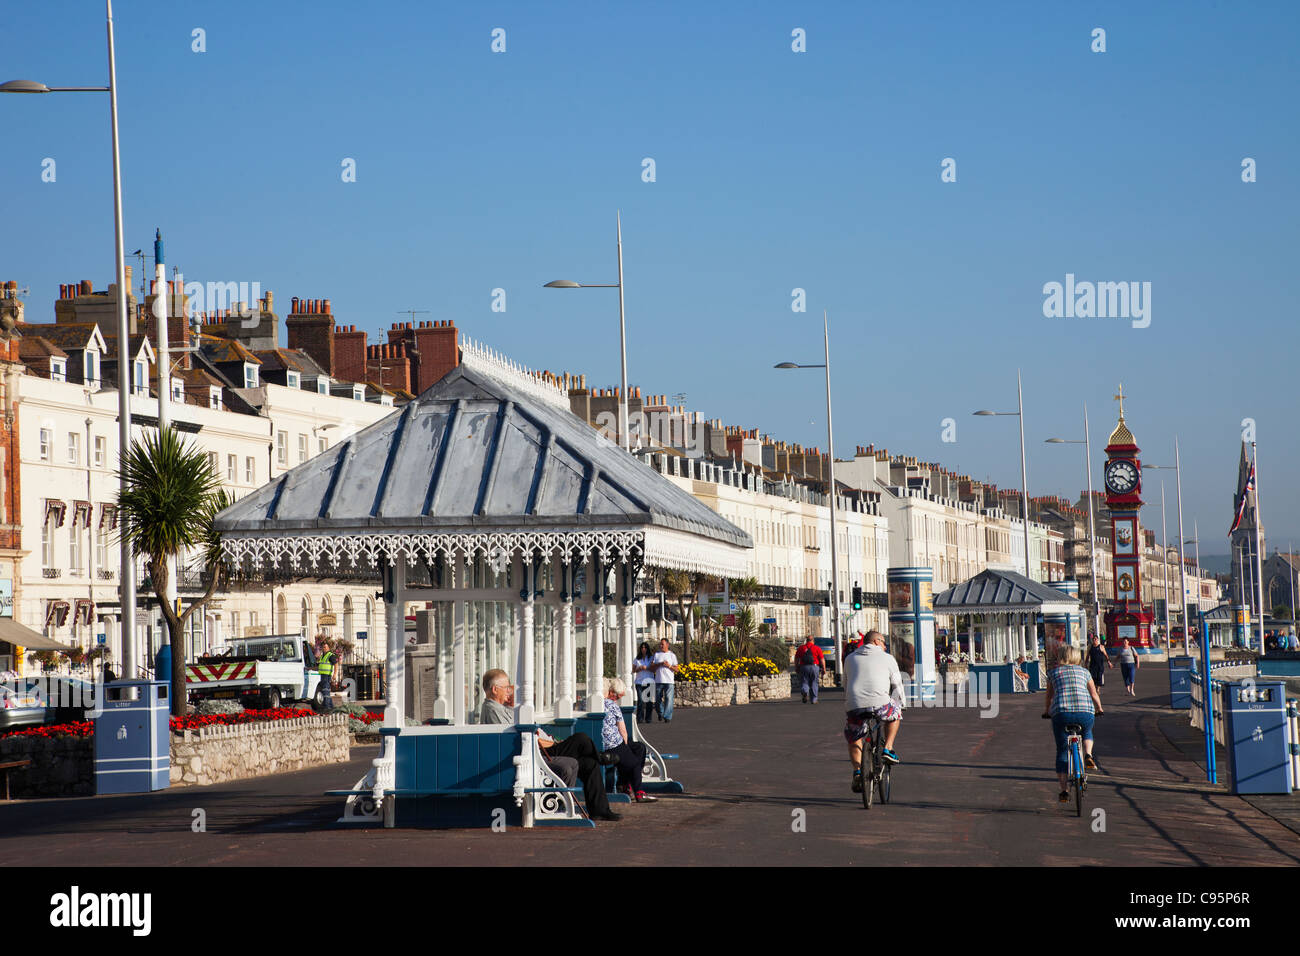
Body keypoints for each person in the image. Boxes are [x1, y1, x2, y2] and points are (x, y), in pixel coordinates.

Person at [479, 669, 621, 821]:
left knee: (590, 764)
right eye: (506, 687)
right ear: (495, 689)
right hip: (536, 752)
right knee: (581, 739)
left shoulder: (503, 708)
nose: (509, 691)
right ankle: (600, 756)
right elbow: (514, 736)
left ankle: (600, 809)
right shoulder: (492, 709)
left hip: (540, 748)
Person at [842, 630, 904, 794]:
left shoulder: (849, 658)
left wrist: (849, 703)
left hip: (854, 703)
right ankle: (888, 749)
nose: (885, 646)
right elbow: (897, 686)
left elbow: (845, 684)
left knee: (854, 734)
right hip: (880, 704)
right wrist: (901, 704)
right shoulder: (888, 658)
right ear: (876, 641)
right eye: (884, 642)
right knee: (895, 714)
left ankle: (857, 772)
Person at [1042, 646, 1104, 803]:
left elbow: (1049, 697)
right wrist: (1099, 708)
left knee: (1062, 750)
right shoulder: (1085, 672)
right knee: (1087, 731)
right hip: (1085, 711)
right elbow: (1093, 694)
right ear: (1077, 657)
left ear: (1061, 657)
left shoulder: (1053, 673)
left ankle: (1064, 791)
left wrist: (1046, 711)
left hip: (1061, 712)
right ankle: (1088, 754)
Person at [602, 677, 656, 802]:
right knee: (634, 762)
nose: (617, 699)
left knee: (640, 748)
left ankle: (626, 783)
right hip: (612, 744)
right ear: (610, 692)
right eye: (617, 697)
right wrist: (625, 748)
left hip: (605, 742)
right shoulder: (611, 705)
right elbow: (623, 731)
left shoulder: (589, 703)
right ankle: (638, 792)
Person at [651, 638, 678, 722]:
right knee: (658, 700)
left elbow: (677, 669)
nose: (661, 646)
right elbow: (652, 667)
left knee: (669, 699)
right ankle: (660, 713)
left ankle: (667, 717)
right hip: (658, 680)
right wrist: (660, 664)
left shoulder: (672, 655)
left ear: (667, 645)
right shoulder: (656, 655)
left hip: (669, 681)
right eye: (660, 644)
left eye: (662, 644)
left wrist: (668, 666)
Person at [632, 641, 656, 723]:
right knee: (640, 701)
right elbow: (633, 670)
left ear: (647, 648)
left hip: (649, 681)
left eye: (645, 647)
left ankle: (648, 718)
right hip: (639, 682)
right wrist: (639, 668)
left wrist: (647, 668)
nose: (643, 649)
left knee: (649, 701)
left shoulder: (651, 658)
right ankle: (640, 718)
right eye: (642, 647)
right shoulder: (637, 659)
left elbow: (654, 669)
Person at [795, 636, 824, 703]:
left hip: (804, 667)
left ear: (806, 640)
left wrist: (796, 667)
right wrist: (824, 668)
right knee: (814, 682)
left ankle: (805, 691)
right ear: (813, 640)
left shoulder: (801, 648)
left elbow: (797, 659)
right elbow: (822, 659)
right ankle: (814, 699)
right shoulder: (817, 648)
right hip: (815, 667)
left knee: (805, 681)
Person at [317, 643, 335, 711]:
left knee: (326, 691)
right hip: (322, 675)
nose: (324, 648)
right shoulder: (322, 656)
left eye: (325, 647)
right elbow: (321, 665)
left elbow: (336, 664)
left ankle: (326, 706)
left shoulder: (330, 655)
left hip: (327, 675)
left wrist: (335, 674)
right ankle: (330, 706)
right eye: (323, 647)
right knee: (325, 691)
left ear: (328, 648)